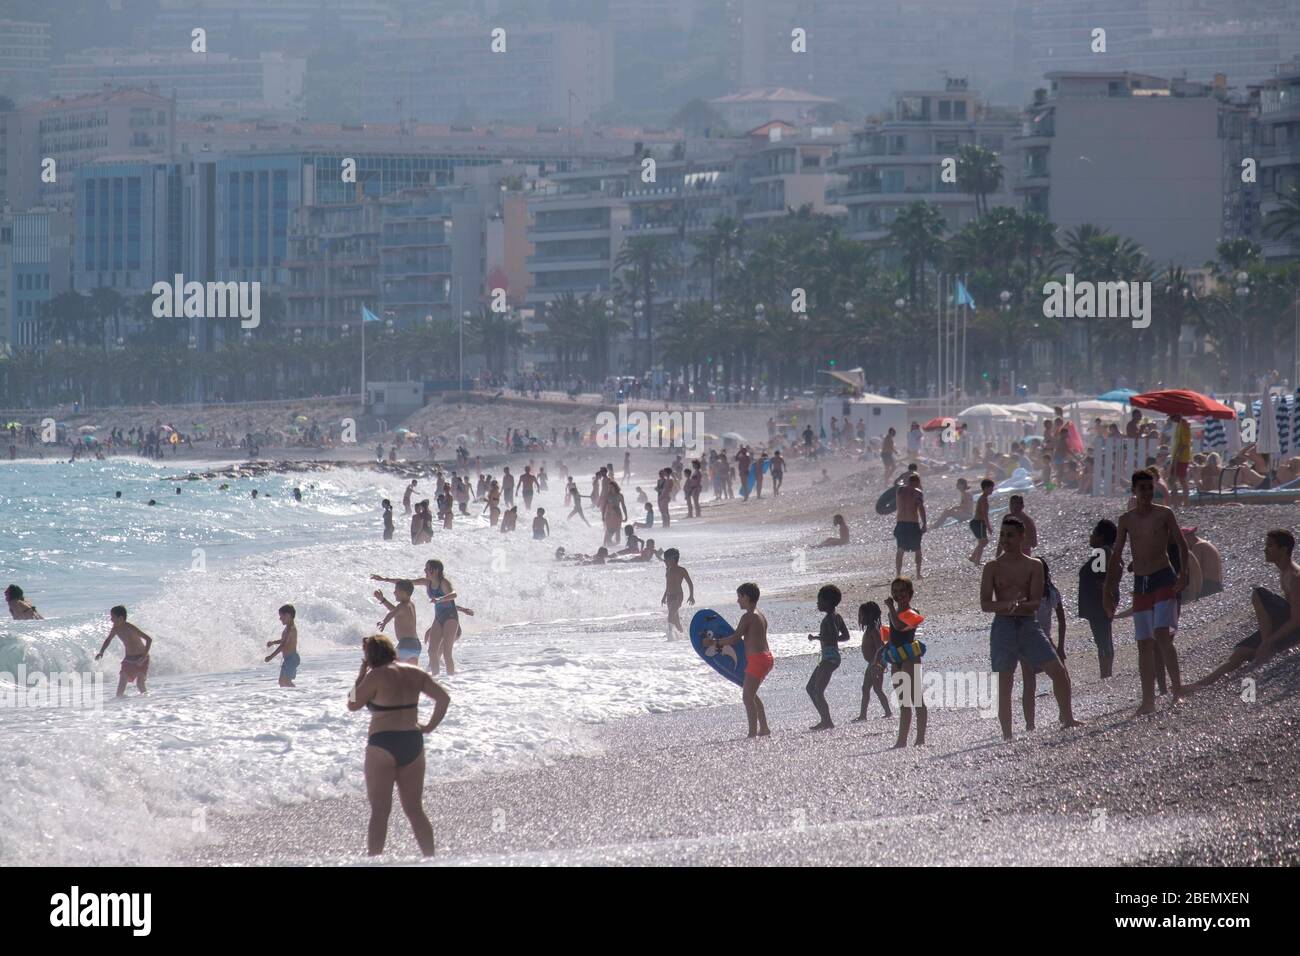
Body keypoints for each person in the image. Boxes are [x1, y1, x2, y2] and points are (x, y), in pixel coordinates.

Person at [347, 634, 450, 856]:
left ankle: (374, 860)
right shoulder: (415, 673)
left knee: (380, 811)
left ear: (370, 655)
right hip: (412, 741)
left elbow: (352, 704)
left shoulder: (374, 676)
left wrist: (360, 675)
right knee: (414, 809)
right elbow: (444, 698)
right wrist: (430, 726)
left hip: (382, 744)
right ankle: (431, 858)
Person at [980, 517, 1081, 739]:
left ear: (1021, 537)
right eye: (1003, 535)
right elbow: (985, 604)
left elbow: (1036, 601)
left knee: (1058, 672)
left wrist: (1019, 605)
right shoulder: (992, 567)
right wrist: (1007, 604)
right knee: (1005, 683)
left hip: (1028, 624)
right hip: (1003, 627)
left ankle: (1068, 717)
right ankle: (1007, 734)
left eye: (1010, 535)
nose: (1005, 540)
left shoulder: (1034, 565)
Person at [1104, 470, 1191, 713]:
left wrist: (1183, 574)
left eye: (1149, 488)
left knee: (1162, 635)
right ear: (1134, 491)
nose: (1146, 493)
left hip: (1164, 577)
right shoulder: (1126, 520)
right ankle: (1148, 701)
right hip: (1141, 583)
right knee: (1143, 644)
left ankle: (1177, 691)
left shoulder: (1164, 514)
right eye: (1142, 488)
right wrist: (1109, 589)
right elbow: (1117, 556)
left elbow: (1182, 545)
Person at [1186, 530, 1300, 692]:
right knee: (1240, 653)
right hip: (1283, 624)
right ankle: (1200, 686)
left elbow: (1297, 619)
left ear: (1283, 549)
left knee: (1258, 594)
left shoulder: (1295, 577)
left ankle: (1266, 650)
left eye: (1270, 546)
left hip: (1294, 631)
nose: (1265, 550)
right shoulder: (1285, 573)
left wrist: (1269, 641)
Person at [702, 582, 771, 738]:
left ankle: (752, 733)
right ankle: (764, 728)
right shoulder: (760, 615)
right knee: (751, 694)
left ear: (746, 597)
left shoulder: (748, 616)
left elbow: (734, 639)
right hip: (766, 658)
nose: (737, 600)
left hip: (757, 659)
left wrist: (714, 642)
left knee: (747, 697)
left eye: (739, 597)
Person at [1018, 559, 1067, 730]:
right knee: (1030, 683)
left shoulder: (1051, 592)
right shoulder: (1023, 593)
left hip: (1045, 640)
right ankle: (1030, 724)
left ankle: (1064, 713)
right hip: (1027, 642)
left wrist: (1061, 647)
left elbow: (1062, 621)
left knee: (1062, 676)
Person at [884, 577, 927, 748]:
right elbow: (893, 636)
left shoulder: (912, 612)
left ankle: (920, 738)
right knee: (903, 702)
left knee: (917, 698)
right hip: (897, 658)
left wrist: (890, 608)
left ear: (910, 593)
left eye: (902, 591)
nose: (898, 594)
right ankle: (901, 741)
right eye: (895, 591)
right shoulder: (892, 613)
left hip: (910, 657)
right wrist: (879, 657)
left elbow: (900, 626)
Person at [806, 584, 850, 730]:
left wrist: (817, 638)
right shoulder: (837, 617)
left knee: (817, 690)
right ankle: (824, 719)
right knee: (810, 688)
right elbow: (845, 636)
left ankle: (827, 721)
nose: (817, 603)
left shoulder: (829, 619)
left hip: (829, 658)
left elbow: (830, 637)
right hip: (830, 657)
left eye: (819, 600)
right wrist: (822, 638)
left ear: (828, 602)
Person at [1079, 520, 1118, 679]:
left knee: (1102, 640)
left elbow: (1101, 579)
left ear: (1101, 537)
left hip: (1099, 603)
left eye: (1094, 534)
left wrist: (1105, 600)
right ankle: (1107, 672)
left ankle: (1106, 674)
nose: (1090, 536)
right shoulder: (1107, 551)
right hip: (1101, 601)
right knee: (1104, 637)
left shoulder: (1101, 552)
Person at [95, 605, 154, 698]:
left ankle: (147, 702)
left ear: (121, 618)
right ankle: (120, 707)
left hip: (141, 657)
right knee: (121, 687)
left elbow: (148, 639)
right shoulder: (115, 629)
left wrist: (143, 657)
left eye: (113, 617)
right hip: (128, 659)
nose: (111, 620)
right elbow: (108, 640)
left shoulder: (130, 627)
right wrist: (101, 652)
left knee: (140, 683)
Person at [852, 602, 892, 721]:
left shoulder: (874, 629)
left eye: (861, 615)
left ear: (869, 615)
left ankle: (888, 712)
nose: (859, 618)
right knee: (865, 688)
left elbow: (880, 647)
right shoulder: (870, 629)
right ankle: (863, 715)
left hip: (877, 663)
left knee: (877, 689)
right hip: (872, 663)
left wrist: (877, 663)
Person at [373, 579, 421, 665]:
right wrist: (382, 600)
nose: (394, 592)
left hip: (405, 645)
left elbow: (392, 613)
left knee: (391, 668)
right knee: (411, 674)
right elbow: (395, 611)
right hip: (416, 645)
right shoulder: (410, 605)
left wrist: (384, 622)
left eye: (396, 590)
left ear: (403, 593)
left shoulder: (402, 606)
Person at [893, 473, 926, 579]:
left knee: (900, 549)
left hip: (901, 522)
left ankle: (898, 574)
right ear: (917, 482)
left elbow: (896, 483)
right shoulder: (918, 493)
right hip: (912, 523)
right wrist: (924, 523)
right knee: (917, 549)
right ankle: (918, 573)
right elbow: (921, 508)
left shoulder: (900, 491)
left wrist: (903, 477)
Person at [662, 548, 695, 641]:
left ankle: (670, 636)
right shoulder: (668, 569)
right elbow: (668, 585)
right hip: (669, 596)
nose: (664, 561)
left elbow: (690, 583)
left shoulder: (681, 570)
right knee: (676, 621)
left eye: (666, 560)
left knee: (671, 614)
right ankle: (683, 637)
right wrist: (664, 596)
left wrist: (691, 595)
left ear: (673, 559)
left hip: (678, 596)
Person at [265, 604, 300, 687]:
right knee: (282, 682)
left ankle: (298, 695)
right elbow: (283, 641)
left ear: (288, 615)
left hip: (292, 659)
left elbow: (283, 645)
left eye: (281, 616)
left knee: (286, 682)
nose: (280, 618)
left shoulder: (291, 629)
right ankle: (294, 696)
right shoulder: (287, 628)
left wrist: (270, 656)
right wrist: (273, 642)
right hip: (288, 659)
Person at [1184, 528, 1223, 598]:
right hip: (1216, 583)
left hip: (1208, 585)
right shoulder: (1203, 543)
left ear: (1186, 537)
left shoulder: (1198, 546)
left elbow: (1193, 569)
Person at [1168, 412, 1192, 508]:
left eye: (1172, 416)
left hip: (1181, 458)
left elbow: (1185, 443)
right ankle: (1176, 502)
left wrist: (1178, 456)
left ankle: (1185, 503)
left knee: (1181, 479)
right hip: (1176, 457)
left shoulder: (1184, 424)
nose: (1171, 419)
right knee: (1172, 480)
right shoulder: (1178, 425)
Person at [968, 478, 994, 565]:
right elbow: (984, 515)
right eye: (990, 488)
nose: (992, 490)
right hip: (978, 523)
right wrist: (989, 527)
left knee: (982, 542)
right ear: (985, 488)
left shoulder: (983, 498)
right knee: (983, 542)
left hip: (977, 523)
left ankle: (973, 557)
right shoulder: (983, 499)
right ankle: (977, 561)